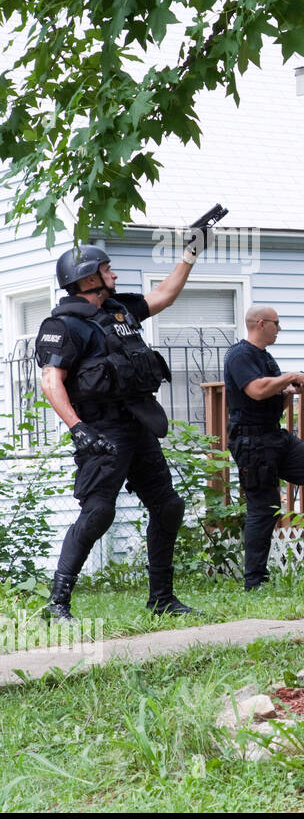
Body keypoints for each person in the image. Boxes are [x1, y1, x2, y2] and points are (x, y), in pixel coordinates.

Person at [35, 235, 211, 620]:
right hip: (101, 430)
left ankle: (162, 599)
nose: (113, 275)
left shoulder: (120, 311)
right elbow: (51, 381)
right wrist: (78, 428)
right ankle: (57, 603)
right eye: (106, 269)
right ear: (88, 279)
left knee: (168, 506)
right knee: (98, 512)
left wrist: (190, 253)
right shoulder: (64, 326)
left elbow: (164, 295)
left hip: (138, 423)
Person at [224, 306, 304, 591]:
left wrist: (288, 392)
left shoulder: (265, 357)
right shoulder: (240, 355)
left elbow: (271, 398)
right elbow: (257, 390)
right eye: (277, 323)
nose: (279, 329)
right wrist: (288, 377)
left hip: (275, 436)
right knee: (264, 508)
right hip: (251, 442)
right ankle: (254, 581)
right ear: (261, 323)